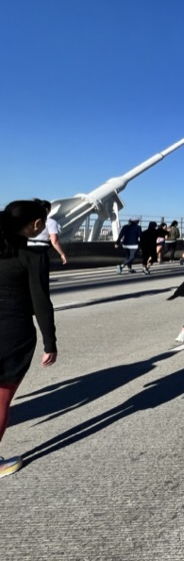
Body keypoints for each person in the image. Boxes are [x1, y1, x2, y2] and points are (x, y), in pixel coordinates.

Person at [0, 200, 58, 478]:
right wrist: (50, 342)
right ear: (35, 224)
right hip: (13, 334)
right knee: (1, 399)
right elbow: (41, 303)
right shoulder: (32, 256)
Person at [26, 200, 68, 267]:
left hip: (25, 250)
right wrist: (62, 254)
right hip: (40, 251)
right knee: (40, 275)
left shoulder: (28, 220)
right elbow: (55, 241)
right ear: (47, 210)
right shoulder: (51, 222)